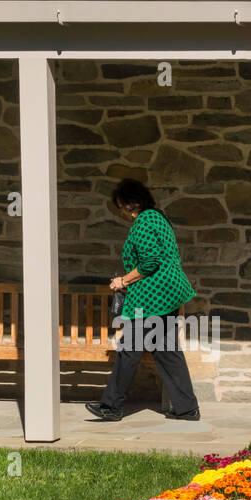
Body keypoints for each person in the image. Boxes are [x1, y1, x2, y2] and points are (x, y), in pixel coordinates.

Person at [85, 180, 200, 422]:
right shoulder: (159, 217)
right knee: (168, 351)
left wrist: (123, 281)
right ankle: (187, 408)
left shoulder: (145, 221)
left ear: (132, 203)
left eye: (121, 207)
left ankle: (111, 406)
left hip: (152, 297)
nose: (121, 212)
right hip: (166, 294)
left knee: (129, 349)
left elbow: (150, 262)